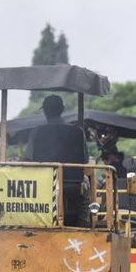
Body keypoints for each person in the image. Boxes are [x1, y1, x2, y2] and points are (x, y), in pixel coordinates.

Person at [26, 95, 90, 227]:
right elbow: (85, 159)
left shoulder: (37, 132)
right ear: (62, 109)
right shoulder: (78, 132)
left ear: (45, 111)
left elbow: (29, 158)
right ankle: (83, 221)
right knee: (86, 183)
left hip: (43, 184)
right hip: (73, 184)